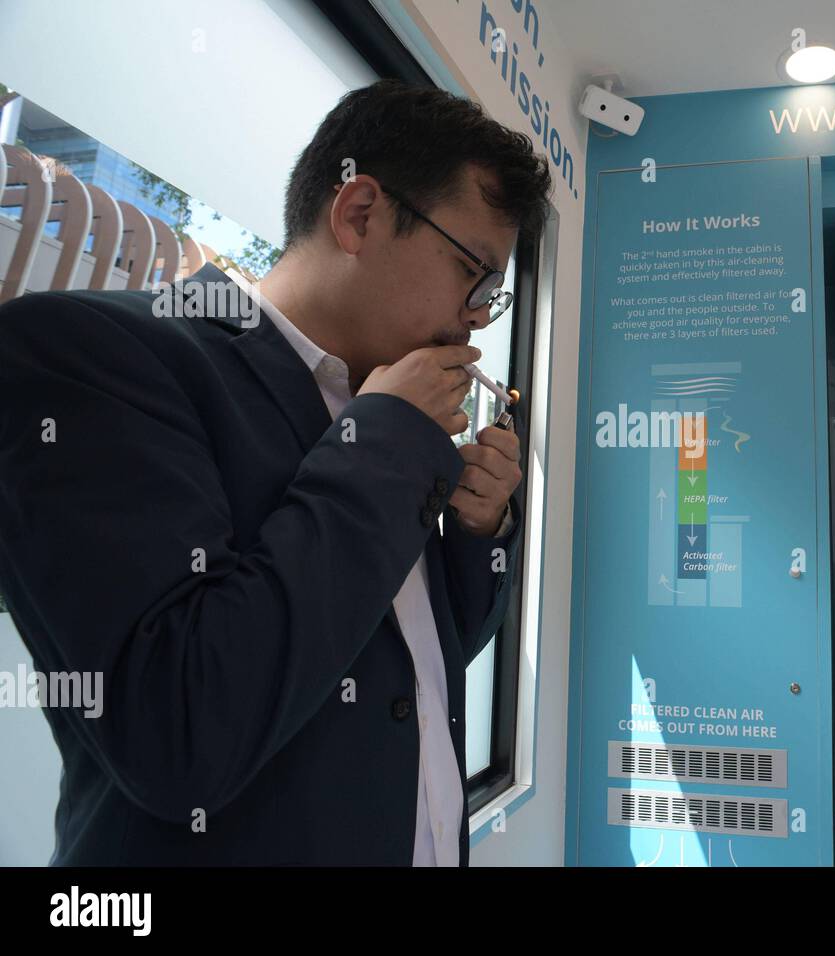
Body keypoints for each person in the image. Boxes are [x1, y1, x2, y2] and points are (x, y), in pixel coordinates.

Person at [0, 80, 552, 865]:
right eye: (472, 273)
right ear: (359, 213)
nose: (473, 315)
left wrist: (476, 528)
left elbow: (411, 667)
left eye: (491, 297)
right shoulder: (96, 357)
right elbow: (181, 729)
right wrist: (384, 445)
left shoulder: (381, 409)